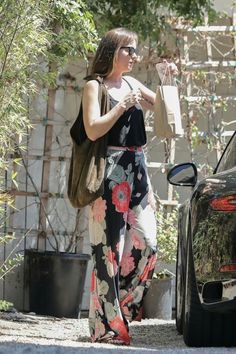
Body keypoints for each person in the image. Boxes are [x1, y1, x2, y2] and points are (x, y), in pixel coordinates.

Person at [82, 27, 177, 345]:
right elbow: (93, 130)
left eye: (136, 51)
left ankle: (117, 311)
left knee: (147, 243)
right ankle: (107, 327)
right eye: (130, 50)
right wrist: (122, 106)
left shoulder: (134, 83)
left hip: (137, 172)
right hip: (109, 172)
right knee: (108, 250)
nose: (135, 56)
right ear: (113, 51)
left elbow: (166, 119)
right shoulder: (94, 87)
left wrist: (167, 82)